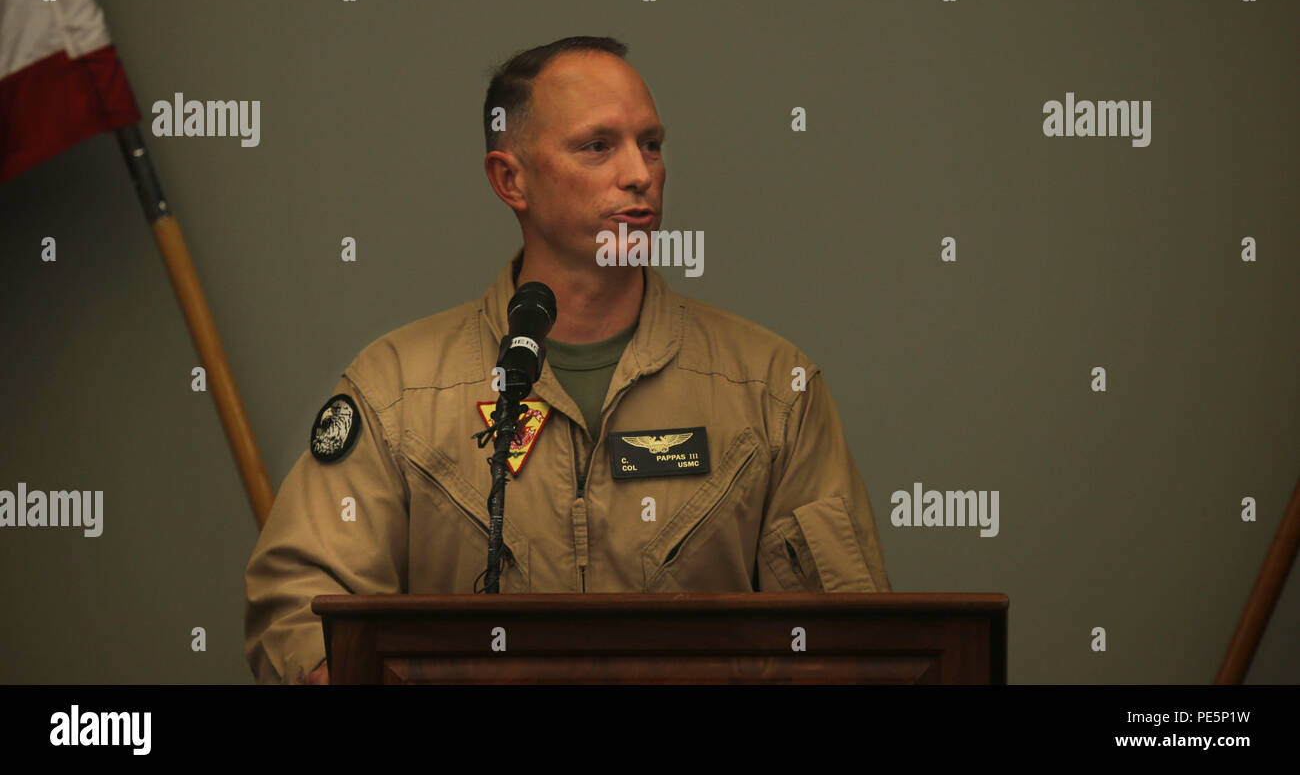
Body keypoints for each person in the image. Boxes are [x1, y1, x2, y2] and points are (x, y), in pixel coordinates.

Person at [243, 36, 892, 684]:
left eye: (652, 144)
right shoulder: (396, 387)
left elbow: (851, 645)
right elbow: (297, 603)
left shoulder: (774, 386)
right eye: (598, 146)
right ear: (511, 179)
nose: (639, 173)